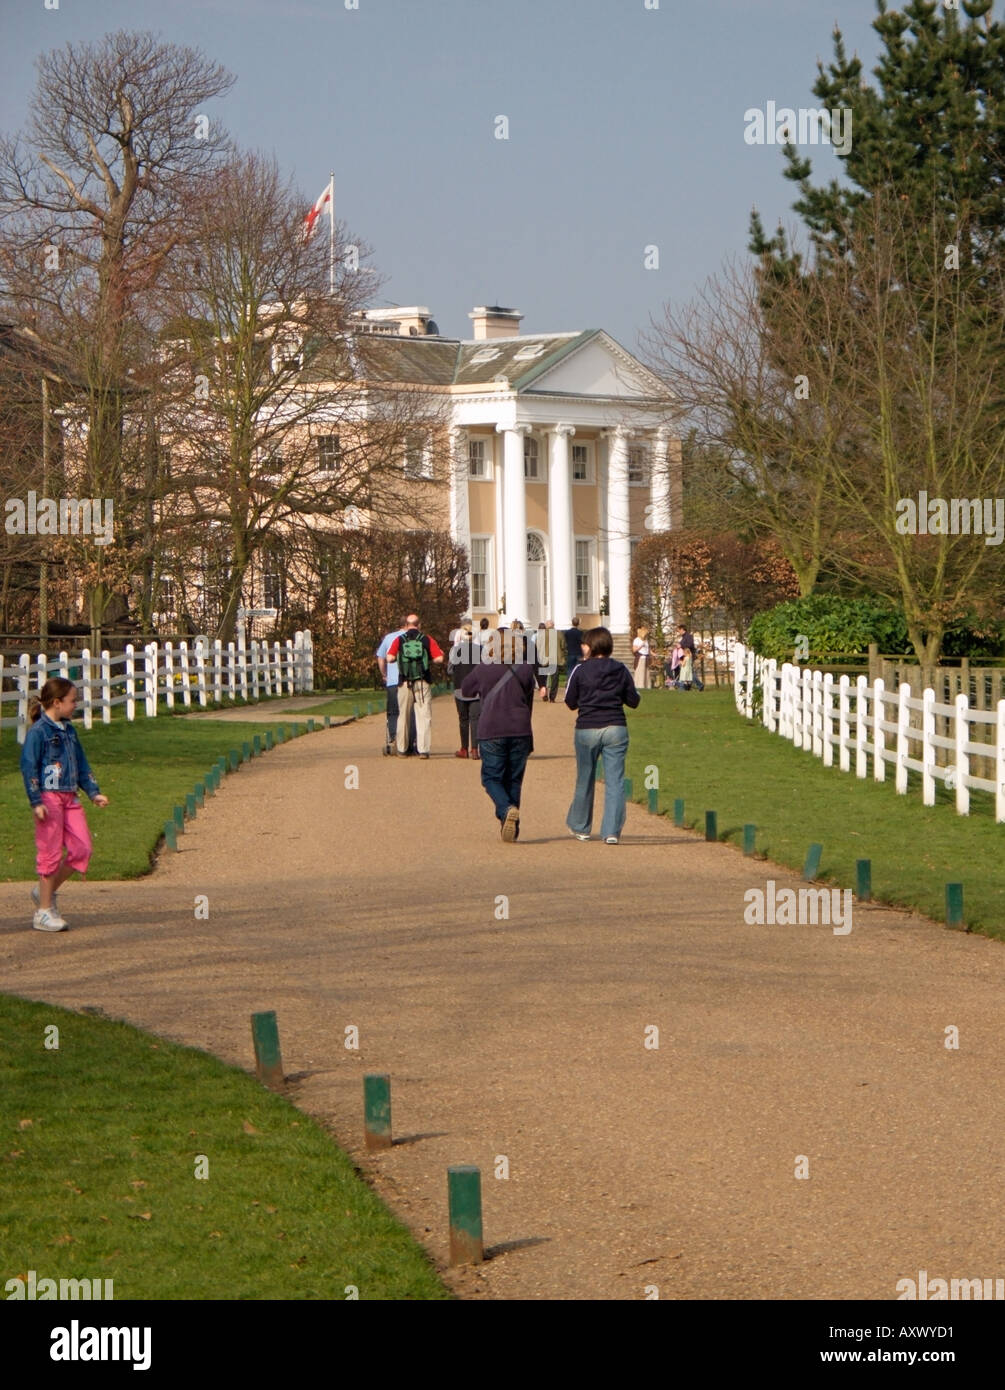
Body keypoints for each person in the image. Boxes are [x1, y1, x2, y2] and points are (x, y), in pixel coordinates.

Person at [20, 677, 109, 932]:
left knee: (82, 848)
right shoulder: (38, 732)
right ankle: (44, 912)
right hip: (48, 798)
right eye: (72, 701)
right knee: (49, 853)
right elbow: (29, 767)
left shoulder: (69, 731)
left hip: (70, 797)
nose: (75, 705)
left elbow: (81, 764)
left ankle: (43, 892)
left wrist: (93, 792)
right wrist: (36, 801)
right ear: (57, 703)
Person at [564, 627, 640, 844]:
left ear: (592, 646)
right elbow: (633, 700)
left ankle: (581, 827)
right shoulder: (620, 669)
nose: (582, 647)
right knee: (615, 781)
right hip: (615, 726)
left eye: (585, 643)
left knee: (585, 778)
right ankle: (611, 831)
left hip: (587, 727)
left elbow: (570, 701)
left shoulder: (580, 669)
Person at [460, 645, 536, 842]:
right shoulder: (525, 667)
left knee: (491, 778)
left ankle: (506, 809)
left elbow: (466, 690)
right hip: (520, 728)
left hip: (492, 728)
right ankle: (511, 825)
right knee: (514, 779)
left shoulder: (484, 667)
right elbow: (528, 698)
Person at [386, 615, 445, 758]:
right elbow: (439, 659)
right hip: (422, 681)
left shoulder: (399, 639)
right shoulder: (427, 639)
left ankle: (402, 748)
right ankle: (423, 750)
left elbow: (389, 658)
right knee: (424, 716)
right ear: (419, 625)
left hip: (405, 683)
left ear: (406, 625)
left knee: (403, 716)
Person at [376, 618, 416, 756]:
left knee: (393, 712)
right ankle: (411, 740)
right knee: (410, 712)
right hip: (409, 679)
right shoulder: (412, 638)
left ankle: (394, 739)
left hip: (393, 681)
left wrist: (384, 674)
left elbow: (381, 658)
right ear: (406, 625)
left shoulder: (388, 638)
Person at [448, 622, 481, 759]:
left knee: (463, 719)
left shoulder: (456, 651)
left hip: (460, 687)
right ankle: (475, 749)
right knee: (475, 719)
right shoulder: (480, 650)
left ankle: (464, 749)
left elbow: (450, 670)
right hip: (476, 689)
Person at [675, 623, 704, 692]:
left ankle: (683, 687)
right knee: (688, 671)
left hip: (689, 657)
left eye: (679, 630)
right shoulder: (684, 637)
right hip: (685, 656)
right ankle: (697, 685)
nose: (678, 632)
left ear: (682, 629)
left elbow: (690, 645)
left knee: (687, 671)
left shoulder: (688, 636)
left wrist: (680, 645)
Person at [564, 616, 584, 684]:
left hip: (570, 653)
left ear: (572, 623)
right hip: (579, 653)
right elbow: (582, 643)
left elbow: (566, 642)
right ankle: (577, 683)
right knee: (578, 669)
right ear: (578, 623)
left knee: (570, 670)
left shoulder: (567, 632)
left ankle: (569, 682)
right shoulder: (580, 633)